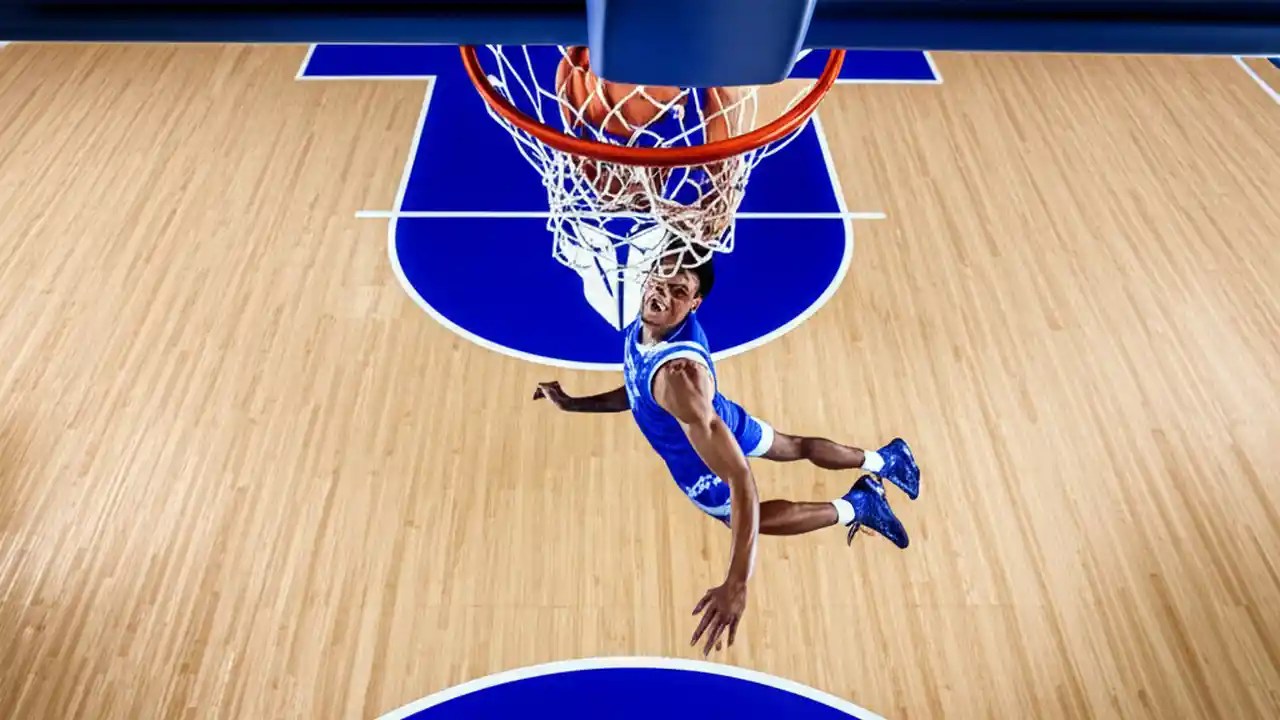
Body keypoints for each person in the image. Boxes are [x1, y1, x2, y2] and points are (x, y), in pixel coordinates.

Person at [532, 245, 920, 657]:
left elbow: (740, 480)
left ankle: (857, 505)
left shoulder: (678, 380)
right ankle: (886, 459)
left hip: (699, 456)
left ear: (695, 303)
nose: (661, 293)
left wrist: (737, 583)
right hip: (721, 416)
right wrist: (573, 403)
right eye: (659, 279)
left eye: (678, 291)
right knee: (793, 445)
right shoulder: (653, 324)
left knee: (742, 518)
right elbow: (637, 388)